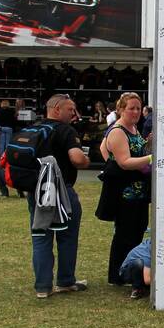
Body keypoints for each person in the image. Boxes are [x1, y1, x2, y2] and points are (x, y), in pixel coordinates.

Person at [28, 94, 89, 298]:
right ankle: (65, 280)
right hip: (62, 191)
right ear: (56, 109)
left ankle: (43, 287)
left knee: (41, 237)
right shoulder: (65, 130)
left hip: (37, 192)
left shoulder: (34, 129)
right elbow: (77, 158)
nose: (73, 113)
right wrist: (86, 160)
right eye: (70, 109)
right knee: (67, 236)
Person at [99, 92, 153, 286]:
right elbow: (125, 162)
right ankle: (118, 275)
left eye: (138, 108)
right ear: (121, 109)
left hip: (137, 193)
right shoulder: (118, 130)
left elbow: (103, 148)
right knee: (124, 235)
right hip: (125, 194)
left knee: (136, 231)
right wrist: (152, 158)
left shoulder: (133, 128)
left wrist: (147, 145)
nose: (136, 111)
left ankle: (128, 272)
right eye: (131, 108)